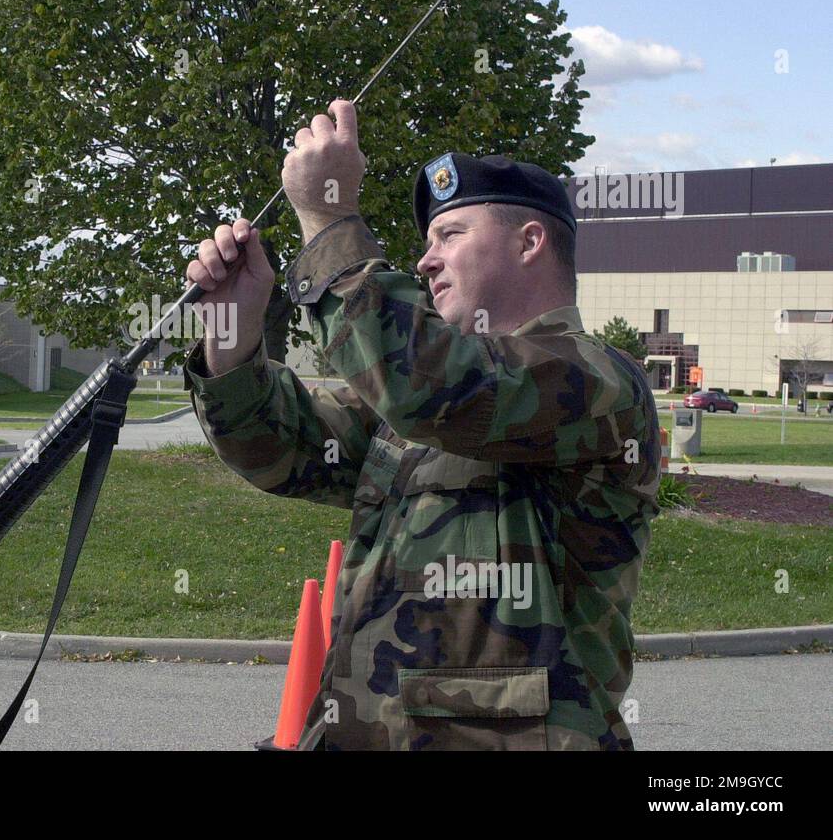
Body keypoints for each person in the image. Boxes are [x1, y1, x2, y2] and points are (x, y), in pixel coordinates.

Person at [183, 101, 660, 750]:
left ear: (530, 241)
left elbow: (435, 386)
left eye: (452, 235)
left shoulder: (596, 380)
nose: (427, 260)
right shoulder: (419, 401)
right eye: (427, 241)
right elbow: (281, 451)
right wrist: (231, 340)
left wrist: (328, 218)